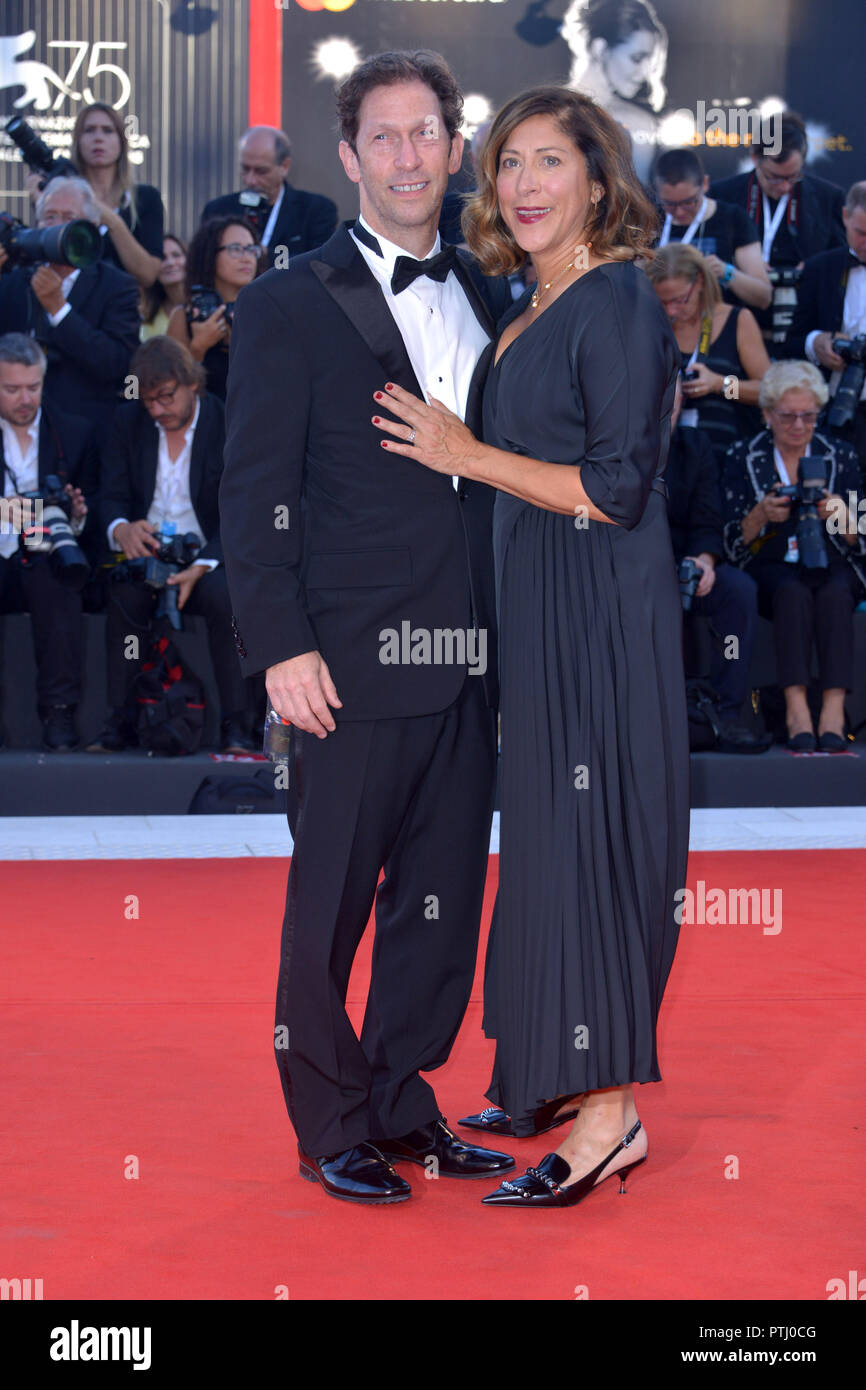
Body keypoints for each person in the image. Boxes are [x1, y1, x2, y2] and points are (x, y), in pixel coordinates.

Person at [373, 85, 689, 1209]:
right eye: (506, 163)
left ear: (596, 180)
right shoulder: (533, 294)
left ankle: (611, 1117)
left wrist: (464, 453)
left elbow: (614, 490)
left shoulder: (614, 302)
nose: (521, 185)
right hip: (542, 609)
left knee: (594, 843)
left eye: (547, 162)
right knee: (552, 841)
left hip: (599, 608)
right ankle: (556, 1070)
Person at [220, 49, 515, 1206]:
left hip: (469, 658)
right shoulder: (291, 301)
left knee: (438, 906)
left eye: (424, 133)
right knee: (328, 907)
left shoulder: (491, 285)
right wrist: (279, 644)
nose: (406, 155)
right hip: (342, 664)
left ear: (452, 146)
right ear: (347, 157)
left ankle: (402, 1101)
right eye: (382, 137)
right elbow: (252, 490)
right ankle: (327, 1118)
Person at [90, 337, 256, 755]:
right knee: (125, 594)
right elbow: (108, 495)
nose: (157, 410)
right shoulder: (126, 423)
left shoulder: (226, 422)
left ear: (191, 383)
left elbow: (245, 508)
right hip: (147, 555)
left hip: (210, 559)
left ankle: (239, 723)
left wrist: (205, 562)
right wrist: (121, 528)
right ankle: (121, 720)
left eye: (165, 397)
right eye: (148, 401)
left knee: (228, 599)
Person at [720, 361, 866, 752]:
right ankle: (796, 708)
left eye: (808, 416)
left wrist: (843, 518)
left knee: (836, 593)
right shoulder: (742, 455)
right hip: (772, 564)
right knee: (791, 593)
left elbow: (861, 543)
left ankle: (834, 709)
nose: (799, 426)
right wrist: (760, 516)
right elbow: (730, 545)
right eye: (788, 417)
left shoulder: (842, 455)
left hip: (833, 562)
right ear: (767, 415)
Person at [0, 334, 98, 751]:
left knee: (61, 583)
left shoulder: (73, 431)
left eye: (33, 387)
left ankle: (59, 714)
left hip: (47, 552)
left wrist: (77, 515)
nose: (25, 398)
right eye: (11, 389)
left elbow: (95, 505)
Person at [0, 176, 141, 449]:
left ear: (90, 228)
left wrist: (59, 310)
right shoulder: (13, 281)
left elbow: (121, 366)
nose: (57, 226)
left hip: (88, 438)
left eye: (68, 216)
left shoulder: (116, 286)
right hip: (14, 438)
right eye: (50, 217)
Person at [665, 375, 766, 746]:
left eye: (671, 396)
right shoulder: (618, 447)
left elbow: (708, 517)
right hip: (632, 567)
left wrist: (705, 560)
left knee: (737, 591)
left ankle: (725, 714)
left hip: (686, 561)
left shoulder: (695, 446)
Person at [711, 111, 846, 349]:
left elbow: (845, 257)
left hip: (802, 334)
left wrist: (815, 266)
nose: (784, 187)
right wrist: (746, 266)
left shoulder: (829, 198)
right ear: (755, 159)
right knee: (731, 388)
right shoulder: (722, 196)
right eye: (773, 178)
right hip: (736, 330)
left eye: (793, 177)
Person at [646, 243, 771, 474]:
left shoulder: (738, 320)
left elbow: (768, 392)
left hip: (726, 459)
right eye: (663, 302)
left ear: (700, 282)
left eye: (680, 300)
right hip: (667, 461)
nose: (672, 311)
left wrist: (720, 385)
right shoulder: (651, 327)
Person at [25, 102, 165, 290]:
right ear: (78, 141)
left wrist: (112, 221)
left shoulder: (146, 198)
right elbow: (46, 261)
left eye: (107, 131)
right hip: (65, 302)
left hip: (122, 309)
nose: (98, 138)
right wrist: (44, 205)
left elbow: (147, 274)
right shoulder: (58, 196)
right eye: (89, 130)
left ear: (121, 142)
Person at [784, 181, 866, 475]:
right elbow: (790, 342)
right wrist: (817, 343)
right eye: (861, 233)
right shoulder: (821, 268)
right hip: (835, 412)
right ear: (845, 216)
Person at [561, 0, 668, 183]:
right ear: (600, 49)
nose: (644, 73)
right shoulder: (638, 122)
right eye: (636, 58)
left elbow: (638, 203)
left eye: (649, 62)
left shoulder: (638, 122)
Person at [200, 126, 338, 268]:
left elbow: (318, 265)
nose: (250, 180)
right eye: (245, 169)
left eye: (261, 171)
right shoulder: (217, 211)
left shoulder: (315, 210)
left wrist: (263, 254)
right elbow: (204, 264)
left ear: (284, 166)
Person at [652, 148, 771, 310]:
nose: (679, 211)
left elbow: (764, 296)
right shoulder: (649, 219)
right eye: (669, 203)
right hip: (661, 326)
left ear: (705, 184)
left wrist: (727, 272)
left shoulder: (732, 219)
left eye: (689, 202)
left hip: (715, 327)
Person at [166, 217, 262, 401]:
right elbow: (170, 391)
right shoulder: (185, 316)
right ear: (209, 255)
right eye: (235, 249)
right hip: (206, 424)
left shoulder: (268, 310)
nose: (246, 257)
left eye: (252, 249)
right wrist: (198, 348)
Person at [140, 234, 187, 340]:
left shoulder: (205, 304)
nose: (170, 263)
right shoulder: (147, 317)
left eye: (176, 255)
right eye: (162, 258)